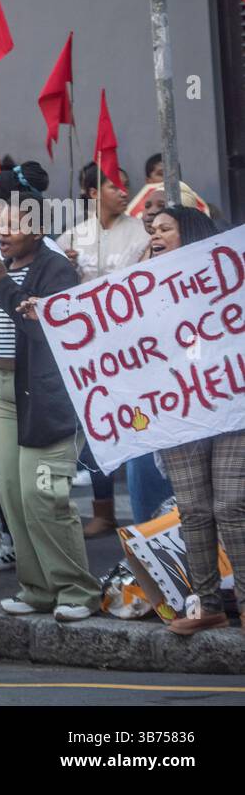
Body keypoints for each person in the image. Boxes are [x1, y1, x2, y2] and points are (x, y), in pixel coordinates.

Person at [0, 163, 100, 622]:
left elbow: (46, 334)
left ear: (39, 231)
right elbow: (0, 327)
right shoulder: (2, 266)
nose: (3, 232)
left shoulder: (55, 270)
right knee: (13, 495)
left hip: (43, 395)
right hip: (1, 392)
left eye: (15, 226)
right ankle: (37, 589)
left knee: (45, 497)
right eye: (0, 224)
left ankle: (77, 590)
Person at [147, 206, 244, 636]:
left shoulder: (229, 277)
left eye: (165, 227)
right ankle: (208, 605)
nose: (155, 234)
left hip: (231, 410)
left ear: (193, 232)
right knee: (194, 509)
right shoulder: (141, 286)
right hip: (178, 412)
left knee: (230, 505)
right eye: (151, 229)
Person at [57, 162, 149, 537]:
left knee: (143, 422)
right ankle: (103, 510)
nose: (125, 192)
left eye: (126, 186)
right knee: (96, 426)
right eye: (115, 186)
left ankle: (152, 511)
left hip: (134, 349)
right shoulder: (71, 238)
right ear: (92, 193)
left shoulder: (143, 232)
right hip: (88, 352)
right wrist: (67, 267)